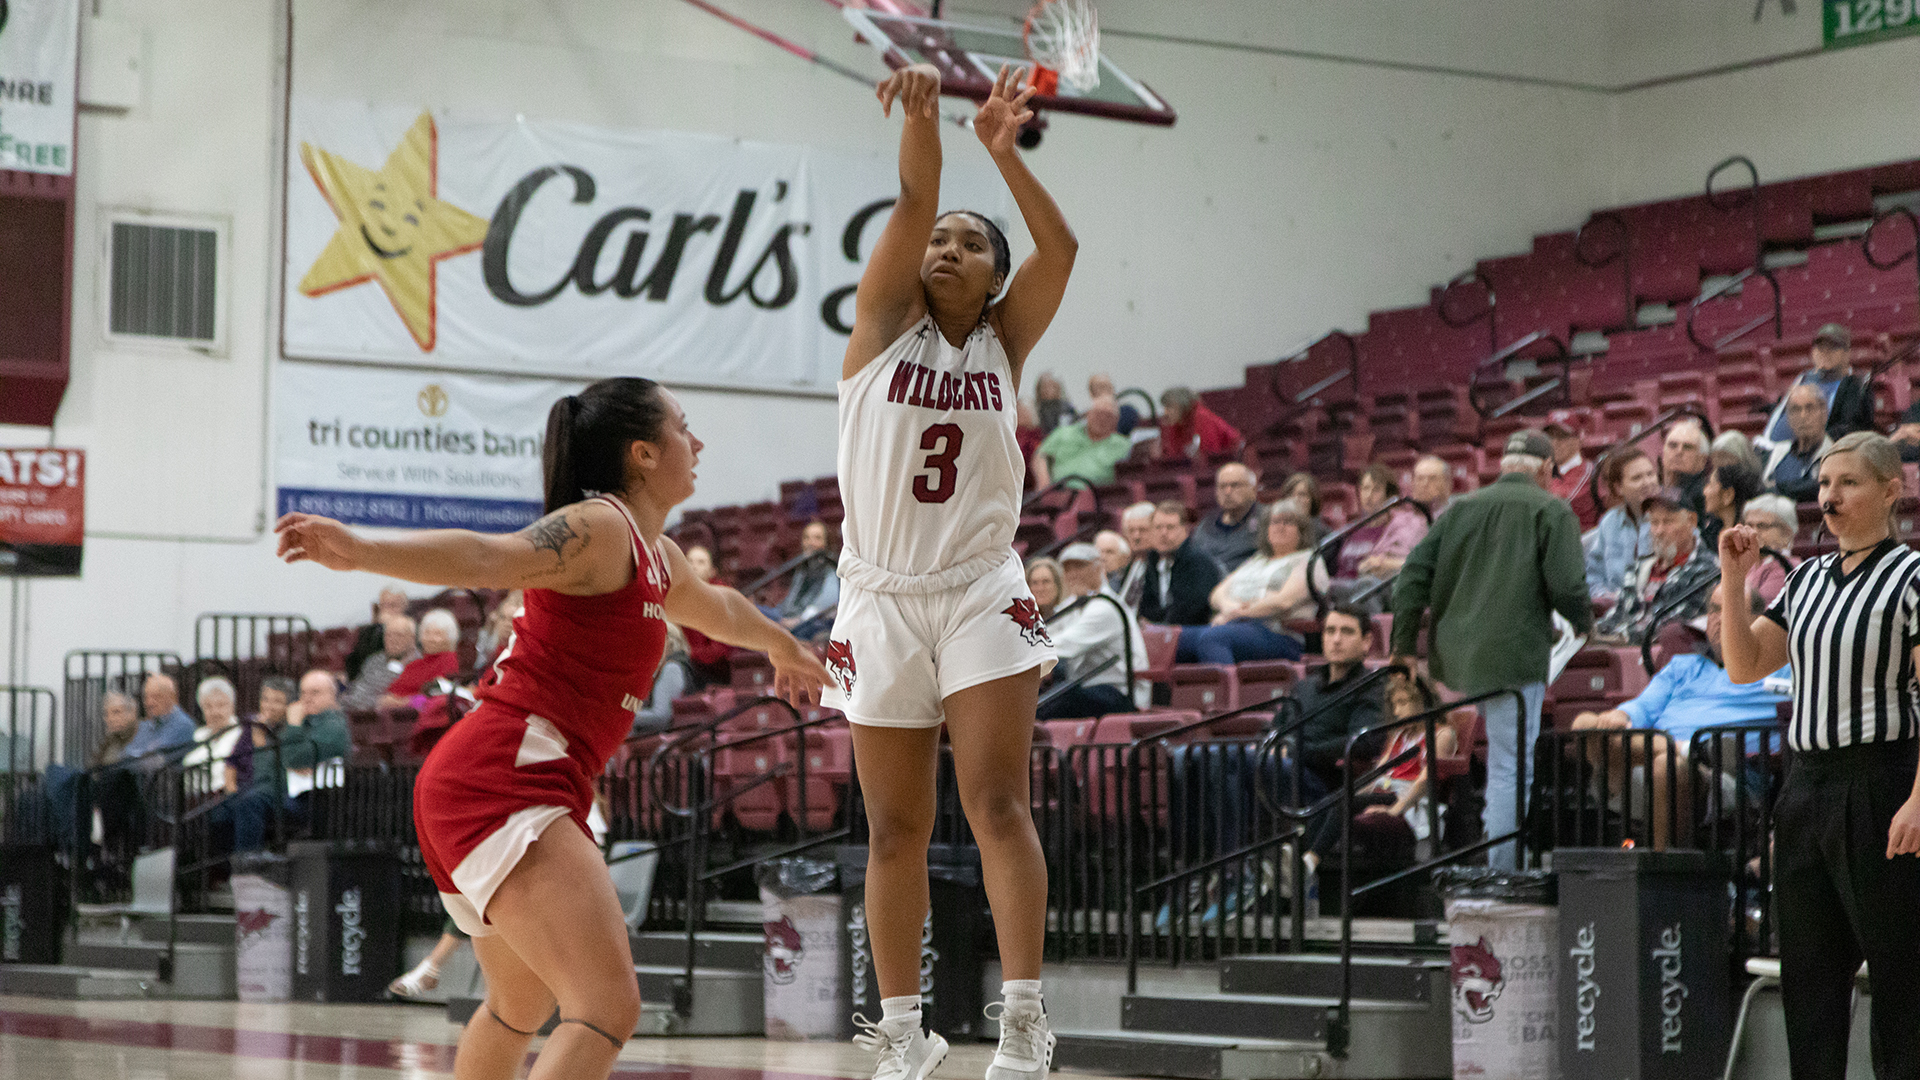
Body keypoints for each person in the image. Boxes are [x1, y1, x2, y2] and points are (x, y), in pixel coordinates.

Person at [274, 376, 830, 1080]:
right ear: (643, 454)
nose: (698, 442)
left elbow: (718, 607)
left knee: (517, 1002)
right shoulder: (600, 528)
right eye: (683, 426)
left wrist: (782, 644)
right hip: (505, 777)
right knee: (606, 1006)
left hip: (486, 778)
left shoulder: (655, 559)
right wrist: (364, 552)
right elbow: (486, 558)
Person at [821, 62, 1074, 1080]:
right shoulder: (882, 325)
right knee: (893, 828)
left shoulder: (1005, 343)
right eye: (939, 242)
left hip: (978, 586)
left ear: (994, 275)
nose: (947, 249)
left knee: (997, 803)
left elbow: (1061, 247)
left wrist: (1002, 155)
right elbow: (914, 197)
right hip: (878, 594)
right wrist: (925, 125)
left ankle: (1022, 1019)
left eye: (972, 245)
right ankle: (903, 1028)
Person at [1718, 431, 1920, 1080]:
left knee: (1900, 980)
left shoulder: (1912, 577)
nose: (1828, 496)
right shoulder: (1804, 579)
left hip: (1883, 782)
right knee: (1808, 978)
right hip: (1804, 789)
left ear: (1893, 490)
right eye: (1825, 483)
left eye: (1848, 483)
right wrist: (1733, 576)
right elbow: (1745, 666)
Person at [1391, 430, 1592, 870]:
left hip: (1458, 655)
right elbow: (1568, 585)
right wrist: (1582, 623)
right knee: (1509, 766)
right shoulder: (1551, 508)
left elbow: (1410, 577)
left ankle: (1496, 855)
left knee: (1501, 761)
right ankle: (1503, 870)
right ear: (1543, 470)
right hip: (1515, 654)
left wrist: (1403, 646)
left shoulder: (1459, 509)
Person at [1571, 593, 1790, 848]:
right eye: (1713, 610)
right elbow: (1640, 707)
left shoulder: (1782, 667)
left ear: (1759, 622)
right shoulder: (1683, 667)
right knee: (1584, 723)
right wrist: (1619, 715)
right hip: (1671, 757)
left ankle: (1663, 873)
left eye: (1729, 610)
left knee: (1667, 766)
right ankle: (1688, 749)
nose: (1718, 619)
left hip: (1731, 770)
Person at [1178, 504, 1321, 664]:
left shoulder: (1308, 559)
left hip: (1280, 634)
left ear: (1302, 531)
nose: (1280, 527)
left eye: (1288, 522)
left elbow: (1283, 601)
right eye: (1275, 522)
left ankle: (1227, 689)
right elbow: (1217, 594)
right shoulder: (1257, 559)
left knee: (1213, 638)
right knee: (1177, 639)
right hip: (1234, 624)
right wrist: (1229, 608)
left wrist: (1239, 613)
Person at [1593, 487, 1720, 645]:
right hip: (1621, 651)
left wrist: (1619, 638)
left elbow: (1670, 627)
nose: (1659, 531)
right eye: (1654, 522)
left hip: (1661, 656)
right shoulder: (1641, 567)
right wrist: (1592, 632)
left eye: (1668, 522)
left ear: (1691, 521)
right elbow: (1618, 614)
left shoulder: (1708, 570)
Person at [1038, 544, 1149, 720]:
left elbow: (1065, 644)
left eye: (1080, 567)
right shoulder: (1073, 605)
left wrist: (1024, 655)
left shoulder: (1106, 606)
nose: (1073, 574)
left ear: (1098, 568)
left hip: (1121, 692)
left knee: (1053, 703)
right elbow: (1047, 636)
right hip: (1087, 687)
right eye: (1068, 568)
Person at [1758, 323, 1877, 447]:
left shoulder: (1857, 385)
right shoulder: (1803, 378)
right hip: (1773, 449)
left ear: (1847, 353)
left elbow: (1850, 431)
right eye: (1820, 348)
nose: (1825, 352)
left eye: (1832, 347)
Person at [1326, 463, 1427, 600]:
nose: (1369, 495)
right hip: (1342, 589)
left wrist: (1378, 563)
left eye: (1376, 490)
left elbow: (1410, 565)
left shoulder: (1404, 526)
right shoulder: (1352, 529)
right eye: (1365, 488)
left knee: (1365, 586)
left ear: (1388, 495)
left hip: (1375, 592)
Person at [1585, 448, 1659, 604]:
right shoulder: (1609, 522)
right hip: (1614, 608)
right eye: (1637, 478)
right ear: (1619, 487)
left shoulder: (1672, 517)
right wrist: (1604, 598)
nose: (1647, 482)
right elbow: (1593, 575)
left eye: (1650, 474)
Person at [1138, 501, 1224, 627]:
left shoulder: (1199, 562)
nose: (1163, 533)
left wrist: (1158, 624)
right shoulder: (1150, 562)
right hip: (1159, 633)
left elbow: (1194, 610)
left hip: (1193, 632)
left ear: (1185, 530)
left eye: (1170, 527)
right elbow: (1146, 606)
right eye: (1158, 527)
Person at [1030, 395, 1130, 488]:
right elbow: (1040, 455)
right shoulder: (1064, 432)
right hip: (1058, 492)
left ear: (1116, 421)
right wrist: (1044, 484)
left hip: (1097, 496)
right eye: (1098, 413)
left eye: (1108, 416)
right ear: (1088, 414)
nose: (1102, 419)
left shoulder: (1122, 445)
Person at [1763, 384, 1835, 503]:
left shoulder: (1835, 455)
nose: (1803, 416)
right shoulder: (1776, 455)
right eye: (1796, 410)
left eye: (1810, 408)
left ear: (1824, 413)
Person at [770, 520, 840, 641]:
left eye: (817, 538)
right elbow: (792, 599)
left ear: (827, 543)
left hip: (810, 623)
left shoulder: (831, 569)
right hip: (787, 616)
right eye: (806, 538)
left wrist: (798, 620)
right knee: (753, 611)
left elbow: (824, 605)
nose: (810, 543)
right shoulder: (802, 568)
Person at [1188, 463, 1263, 572]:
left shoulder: (1267, 519)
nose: (1227, 492)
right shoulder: (1205, 525)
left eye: (1235, 485)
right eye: (1222, 486)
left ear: (1253, 489)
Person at [342, 615, 420, 712]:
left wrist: (405, 702)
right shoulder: (374, 661)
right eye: (388, 635)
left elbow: (426, 700)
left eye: (399, 635)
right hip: (367, 718)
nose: (392, 640)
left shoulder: (421, 663)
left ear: (412, 639)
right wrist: (378, 702)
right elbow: (355, 697)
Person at [631, 625, 695, 738]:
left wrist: (624, 716)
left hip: (661, 736)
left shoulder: (672, 668)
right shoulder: (665, 667)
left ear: (669, 641)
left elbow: (661, 715)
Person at [1739, 493, 1800, 605]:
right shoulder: (1748, 564)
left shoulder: (1786, 568)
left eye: (1762, 526)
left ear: (1787, 533)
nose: (1753, 532)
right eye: (1749, 525)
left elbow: (1757, 613)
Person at [1155, 386, 1242, 462]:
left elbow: (1210, 453)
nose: (1165, 412)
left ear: (1182, 405)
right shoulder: (1177, 423)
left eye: (1170, 407)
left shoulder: (1202, 418)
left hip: (1234, 459)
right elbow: (1173, 456)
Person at [345, 586, 411, 682]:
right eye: (384, 606)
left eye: (393, 605)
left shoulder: (411, 628)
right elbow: (356, 660)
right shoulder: (370, 631)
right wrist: (379, 628)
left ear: (404, 607)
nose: (387, 611)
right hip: (367, 679)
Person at [1545, 422, 1601, 530]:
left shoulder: (1590, 471)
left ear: (1578, 439)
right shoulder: (1549, 474)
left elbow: (1566, 503)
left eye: (1562, 437)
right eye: (1550, 437)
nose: (1555, 443)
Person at [181, 677, 244, 770]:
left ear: (232, 706)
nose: (215, 712)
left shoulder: (242, 736)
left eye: (221, 705)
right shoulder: (198, 735)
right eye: (208, 706)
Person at [1698, 461, 1762, 552]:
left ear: (1728, 495)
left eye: (1711, 485)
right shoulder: (1710, 532)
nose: (1704, 492)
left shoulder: (1749, 542)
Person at [1660, 419, 1712, 508]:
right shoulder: (1657, 489)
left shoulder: (1704, 498)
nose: (1679, 451)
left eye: (1688, 447)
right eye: (1673, 445)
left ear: (1702, 460)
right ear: (1663, 453)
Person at [475, 590, 524, 669]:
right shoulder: (490, 657)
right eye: (502, 618)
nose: (506, 624)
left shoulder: (524, 661)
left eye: (512, 620)